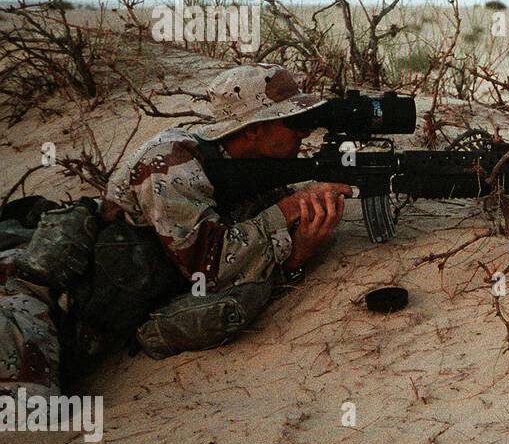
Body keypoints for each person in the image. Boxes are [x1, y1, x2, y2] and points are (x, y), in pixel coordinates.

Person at [0, 64, 351, 398]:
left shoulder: (250, 167)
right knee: (33, 414)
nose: (305, 132)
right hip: (30, 296)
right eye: (292, 122)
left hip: (106, 311)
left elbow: (251, 246)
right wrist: (289, 211)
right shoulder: (170, 164)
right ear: (254, 128)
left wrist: (298, 251)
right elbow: (210, 268)